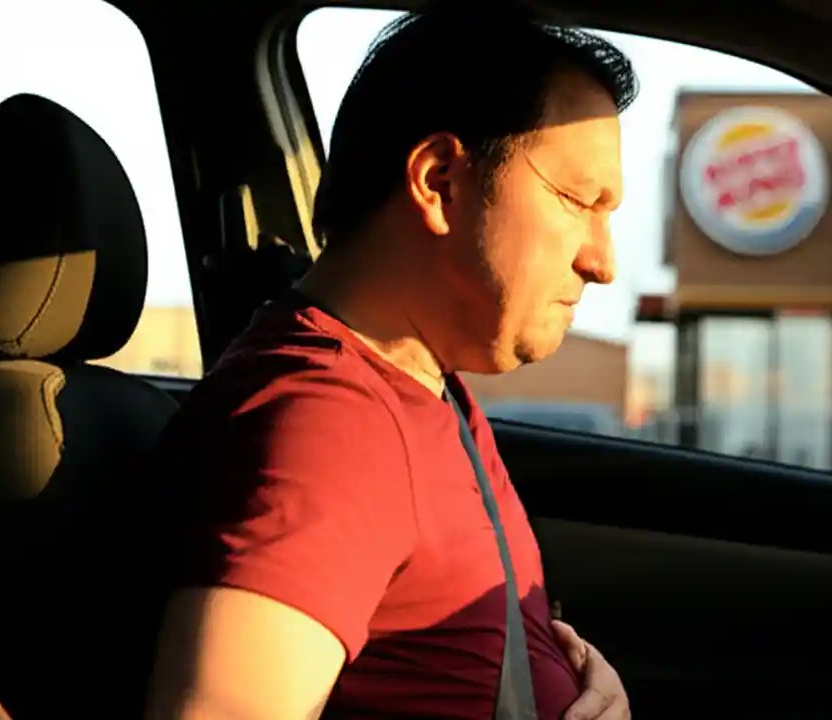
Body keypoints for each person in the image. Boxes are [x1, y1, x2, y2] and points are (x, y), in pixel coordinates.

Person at [143, 1, 637, 719]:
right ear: (439, 181)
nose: (603, 262)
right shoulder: (330, 426)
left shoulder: (423, 391)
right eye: (576, 200)